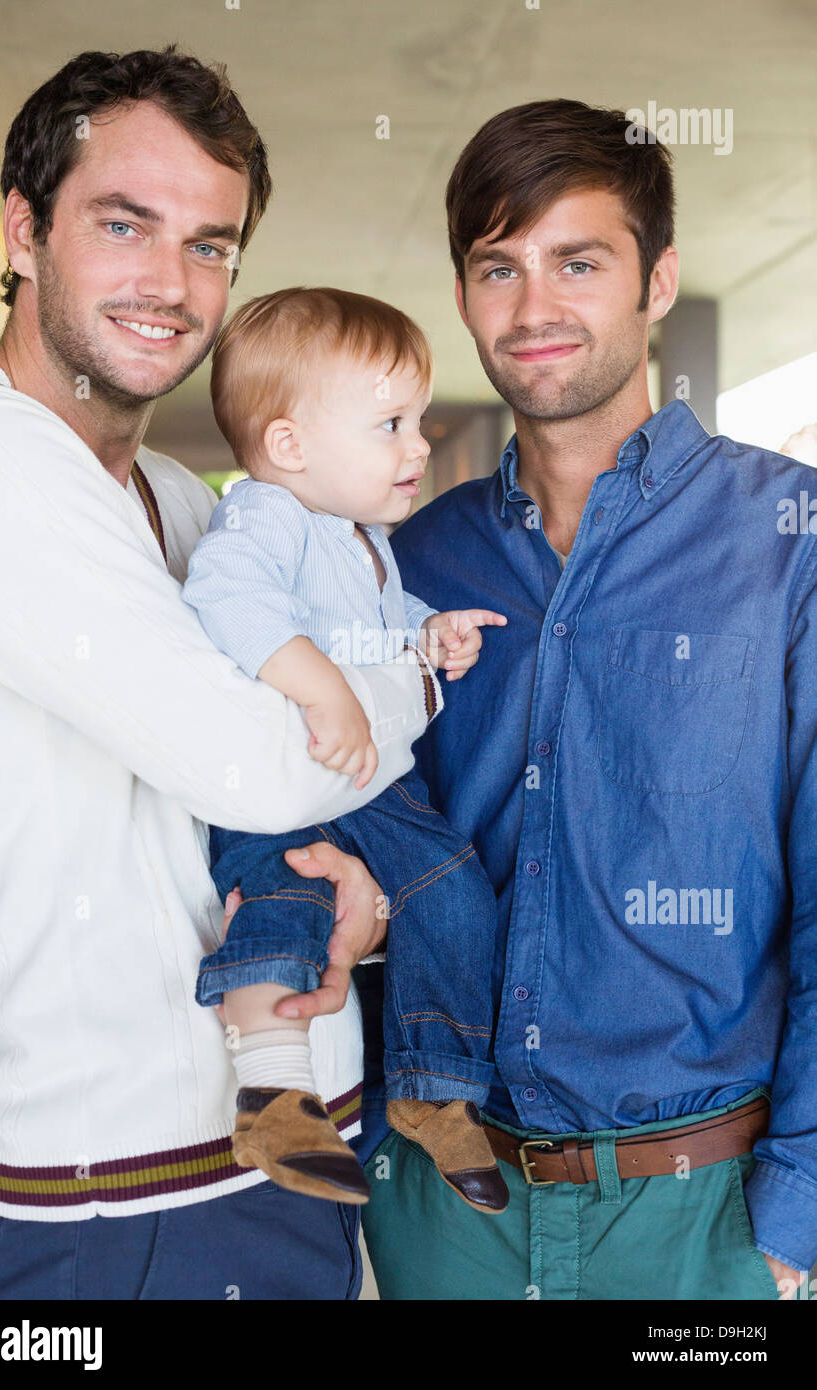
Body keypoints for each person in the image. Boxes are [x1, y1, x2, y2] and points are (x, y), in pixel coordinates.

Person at [0, 47, 440, 1301]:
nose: (171, 283)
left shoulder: (179, 496)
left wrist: (361, 889)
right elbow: (265, 763)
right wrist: (420, 685)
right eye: (124, 224)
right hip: (121, 1206)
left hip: (287, 1156)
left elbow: (243, 810)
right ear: (21, 228)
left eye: (211, 244)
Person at [359, 98, 815, 1300]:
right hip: (446, 1216)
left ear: (655, 281)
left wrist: (791, 1218)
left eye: (578, 261)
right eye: (496, 267)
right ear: (462, 295)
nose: (533, 307)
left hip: (700, 1221)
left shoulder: (787, 542)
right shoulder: (407, 565)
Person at [182, 286, 510, 1214]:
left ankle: (438, 1090)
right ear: (290, 447)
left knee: (451, 887)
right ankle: (275, 1096)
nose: (419, 445)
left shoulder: (364, 537)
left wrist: (429, 634)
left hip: (374, 790)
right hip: (288, 785)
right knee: (280, 901)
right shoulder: (265, 515)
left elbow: (375, 624)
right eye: (391, 425)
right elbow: (229, 603)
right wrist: (328, 690)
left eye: (419, 420)